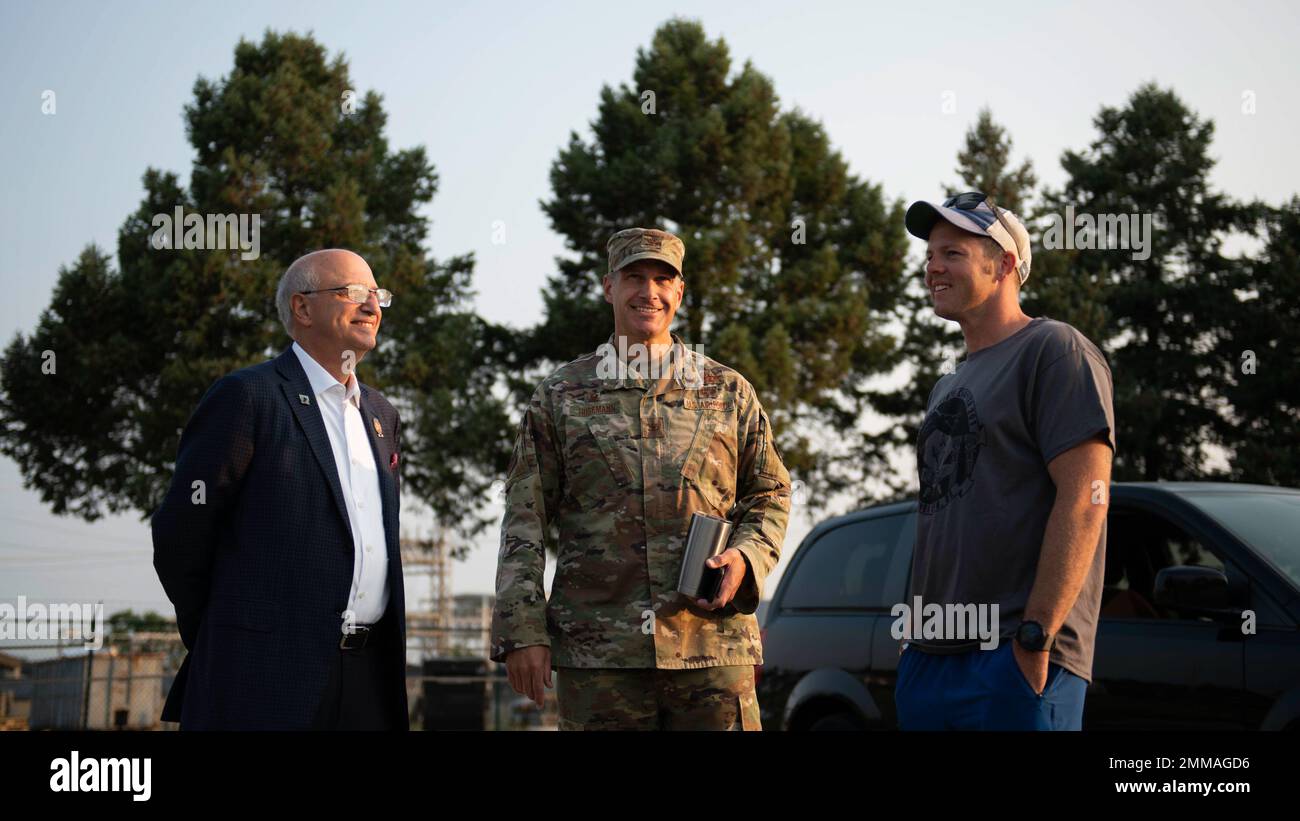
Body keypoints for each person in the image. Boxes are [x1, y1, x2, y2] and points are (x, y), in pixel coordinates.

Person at [492, 227, 791, 730]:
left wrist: (745, 556)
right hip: (601, 658)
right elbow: (525, 518)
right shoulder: (561, 395)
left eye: (661, 279)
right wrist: (523, 630)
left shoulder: (727, 391)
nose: (647, 291)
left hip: (711, 651)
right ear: (609, 287)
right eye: (634, 277)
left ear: (679, 292)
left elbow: (770, 493)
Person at [153, 248, 408, 730]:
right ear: (303, 307)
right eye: (352, 293)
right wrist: (229, 632)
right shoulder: (248, 396)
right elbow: (181, 530)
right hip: (263, 676)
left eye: (377, 296)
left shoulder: (382, 416)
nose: (372, 306)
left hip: (368, 679)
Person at [895, 192, 1115, 730]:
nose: (933, 267)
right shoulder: (946, 386)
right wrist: (911, 642)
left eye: (953, 253)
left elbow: (1087, 499)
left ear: (1006, 265)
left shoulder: (1055, 350)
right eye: (930, 255)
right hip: (929, 661)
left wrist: (1035, 639)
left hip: (1012, 658)